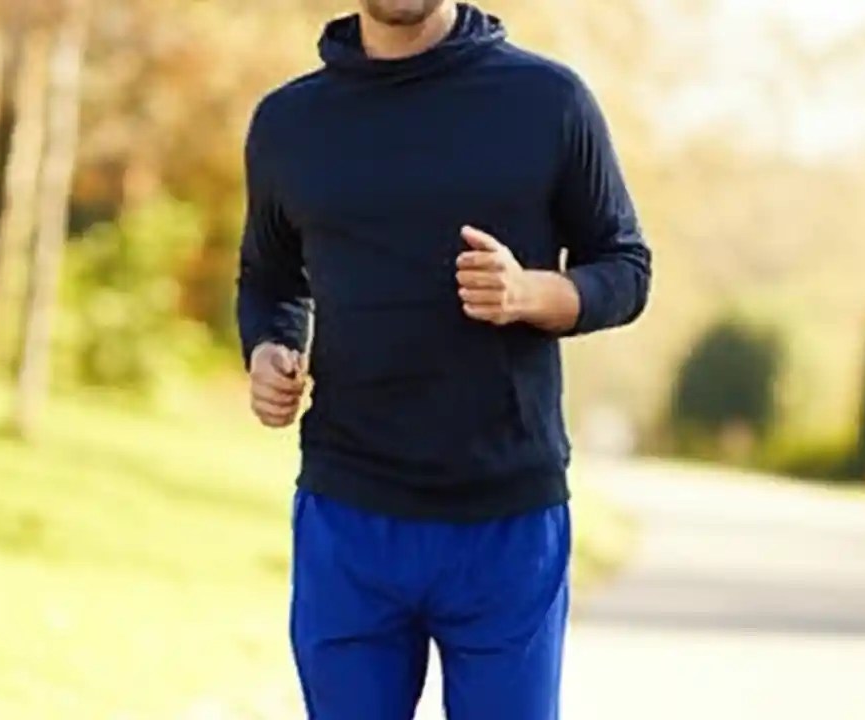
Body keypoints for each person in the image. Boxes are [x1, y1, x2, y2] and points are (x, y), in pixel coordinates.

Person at [236, 2, 651, 717]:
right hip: (350, 515)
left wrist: (532, 292)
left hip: (506, 521)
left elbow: (625, 267)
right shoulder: (289, 124)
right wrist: (270, 346)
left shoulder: (547, 102)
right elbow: (271, 278)